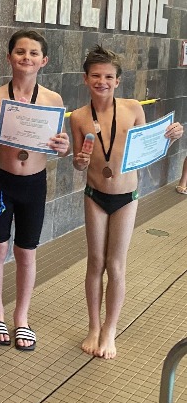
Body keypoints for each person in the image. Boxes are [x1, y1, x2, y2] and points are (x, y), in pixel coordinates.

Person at [70, 45, 183, 359]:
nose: (102, 81)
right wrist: (79, 161)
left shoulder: (132, 108)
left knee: (116, 264)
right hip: (95, 195)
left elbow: (147, 145)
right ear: (85, 79)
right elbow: (78, 162)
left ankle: (110, 329)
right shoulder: (79, 117)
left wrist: (170, 134)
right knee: (95, 263)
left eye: (108, 76)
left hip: (126, 197)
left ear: (117, 81)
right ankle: (93, 327)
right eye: (96, 75)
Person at [0, 30, 70, 351]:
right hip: (0, 181)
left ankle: (21, 316)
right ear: (9, 57)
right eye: (20, 52)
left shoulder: (52, 100)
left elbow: (61, 146)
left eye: (33, 53)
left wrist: (64, 147)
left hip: (34, 183)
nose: (26, 58)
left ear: (44, 61)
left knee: (26, 252)